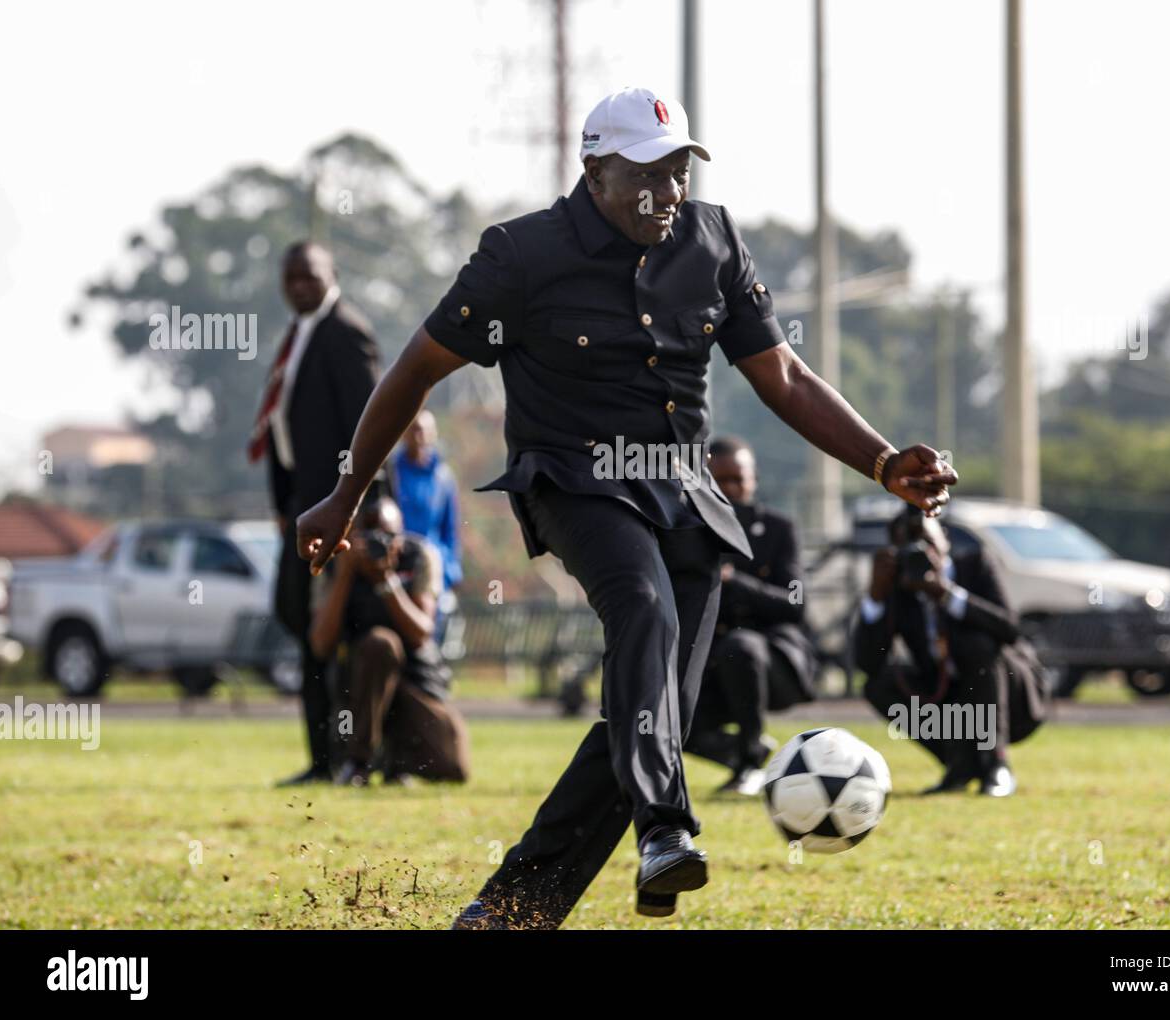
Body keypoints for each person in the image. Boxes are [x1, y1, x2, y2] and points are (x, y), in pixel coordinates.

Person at [295, 87, 955, 928]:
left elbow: (782, 375)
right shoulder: (519, 256)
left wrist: (882, 460)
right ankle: (666, 826)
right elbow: (415, 371)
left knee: (648, 722)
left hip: (688, 499)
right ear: (595, 170)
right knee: (643, 612)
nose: (668, 191)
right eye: (647, 172)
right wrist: (345, 496)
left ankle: (509, 912)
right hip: (577, 484)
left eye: (678, 169)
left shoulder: (712, 243)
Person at [247, 242, 380, 786]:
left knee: (328, 629)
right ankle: (323, 756)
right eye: (291, 275)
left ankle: (342, 755)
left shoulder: (344, 332)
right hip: (301, 511)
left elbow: (373, 422)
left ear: (332, 276)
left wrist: (369, 503)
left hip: (337, 513)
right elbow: (282, 429)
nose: (299, 284)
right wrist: (282, 505)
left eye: (309, 275)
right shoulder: (297, 336)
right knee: (301, 620)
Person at [854, 505, 1020, 796]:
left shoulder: (975, 564)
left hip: (1006, 690)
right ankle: (960, 763)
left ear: (944, 539)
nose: (922, 554)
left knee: (977, 646)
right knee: (880, 685)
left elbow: (1009, 629)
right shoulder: (899, 592)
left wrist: (946, 594)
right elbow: (868, 663)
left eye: (928, 543)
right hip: (947, 697)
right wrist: (875, 599)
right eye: (910, 548)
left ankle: (996, 764)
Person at [309, 489, 469, 786]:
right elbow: (320, 644)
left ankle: (397, 761)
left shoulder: (418, 555)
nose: (377, 543)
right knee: (380, 644)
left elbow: (421, 633)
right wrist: (345, 575)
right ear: (352, 535)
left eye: (387, 534)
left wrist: (387, 582)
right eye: (367, 535)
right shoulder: (334, 563)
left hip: (414, 680)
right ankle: (359, 762)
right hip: (358, 685)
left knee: (453, 766)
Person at [684, 437, 817, 795]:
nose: (730, 489)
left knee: (740, 646)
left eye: (737, 479)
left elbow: (795, 603)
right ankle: (750, 752)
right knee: (670, 719)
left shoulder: (778, 529)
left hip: (775, 663)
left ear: (753, 479)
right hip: (714, 668)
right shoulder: (690, 533)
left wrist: (735, 582)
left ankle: (749, 763)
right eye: (720, 480)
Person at [392, 410, 462, 594]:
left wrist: (451, 570)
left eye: (424, 430)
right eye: (413, 430)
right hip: (398, 563)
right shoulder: (392, 472)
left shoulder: (443, 478)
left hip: (432, 566)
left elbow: (450, 529)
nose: (419, 436)